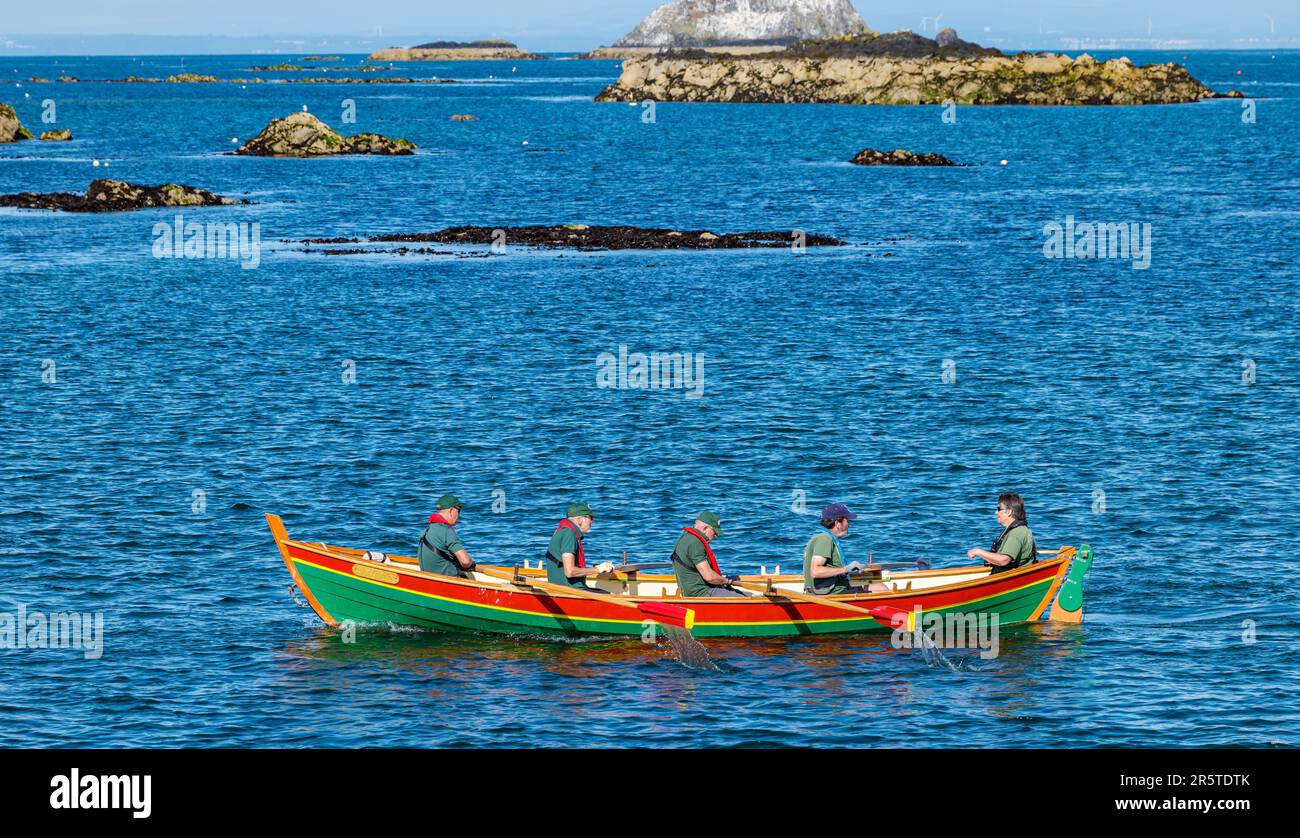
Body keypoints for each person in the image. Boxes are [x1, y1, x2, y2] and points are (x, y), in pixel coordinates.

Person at [803, 502, 889, 595]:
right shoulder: (824, 539)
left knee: (879, 586)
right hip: (832, 593)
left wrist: (855, 570)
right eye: (847, 520)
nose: (849, 524)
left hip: (836, 585)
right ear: (837, 523)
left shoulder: (826, 537)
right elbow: (815, 571)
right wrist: (846, 569)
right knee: (882, 591)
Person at [670, 511, 745, 597]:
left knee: (742, 595)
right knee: (745, 599)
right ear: (705, 528)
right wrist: (728, 581)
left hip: (699, 590)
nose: (715, 536)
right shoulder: (695, 542)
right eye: (714, 532)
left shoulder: (686, 537)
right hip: (701, 593)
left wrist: (725, 579)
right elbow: (709, 577)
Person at [544, 502, 614, 590]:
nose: (592, 521)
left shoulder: (563, 531)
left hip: (563, 588)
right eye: (590, 518)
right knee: (608, 595)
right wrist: (598, 569)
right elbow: (570, 572)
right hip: (569, 591)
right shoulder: (569, 534)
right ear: (580, 520)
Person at [967, 492, 1037, 574]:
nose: (996, 512)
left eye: (999, 509)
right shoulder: (1017, 530)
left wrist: (978, 551)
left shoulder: (1017, 533)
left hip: (1009, 578)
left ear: (1009, 512)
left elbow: (1003, 560)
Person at [418, 494, 477, 577]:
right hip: (447, 582)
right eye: (458, 511)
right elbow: (465, 562)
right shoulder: (446, 531)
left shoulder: (427, 530)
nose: (459, 515)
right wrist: (471, 564)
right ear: (451, 511)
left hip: (429, 578)